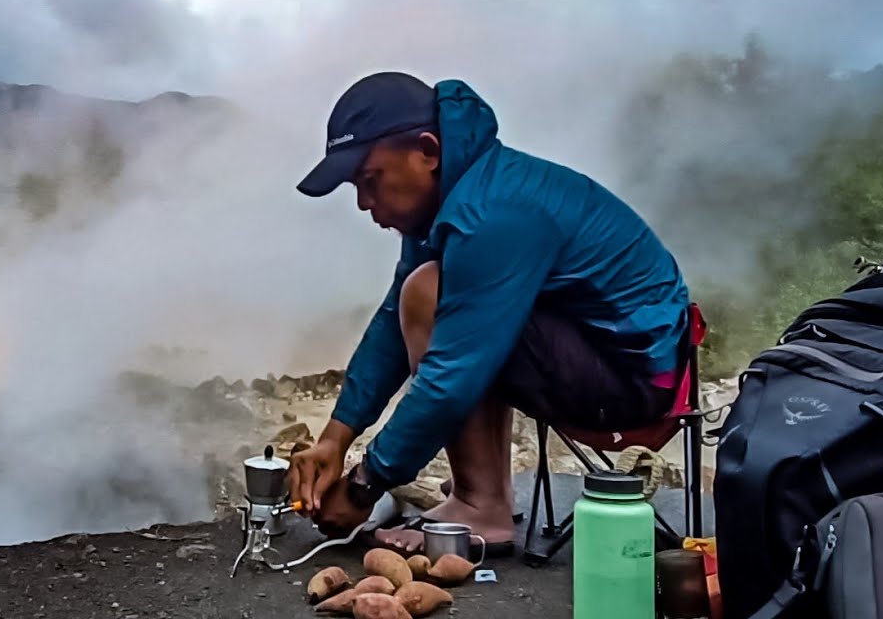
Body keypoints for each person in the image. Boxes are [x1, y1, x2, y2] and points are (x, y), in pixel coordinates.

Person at [287, 71, 690, 558]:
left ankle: (481, 505)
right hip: (595, 352)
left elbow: (451, 372)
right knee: (425, 293)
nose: (364, 203)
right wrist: (335, 437)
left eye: (371, 181)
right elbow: (393, 323)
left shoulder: (492, 214)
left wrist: (364, 486)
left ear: (428, 150)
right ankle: (481, 496)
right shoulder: (453, 201)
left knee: (434, 295)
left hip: (633, 380)